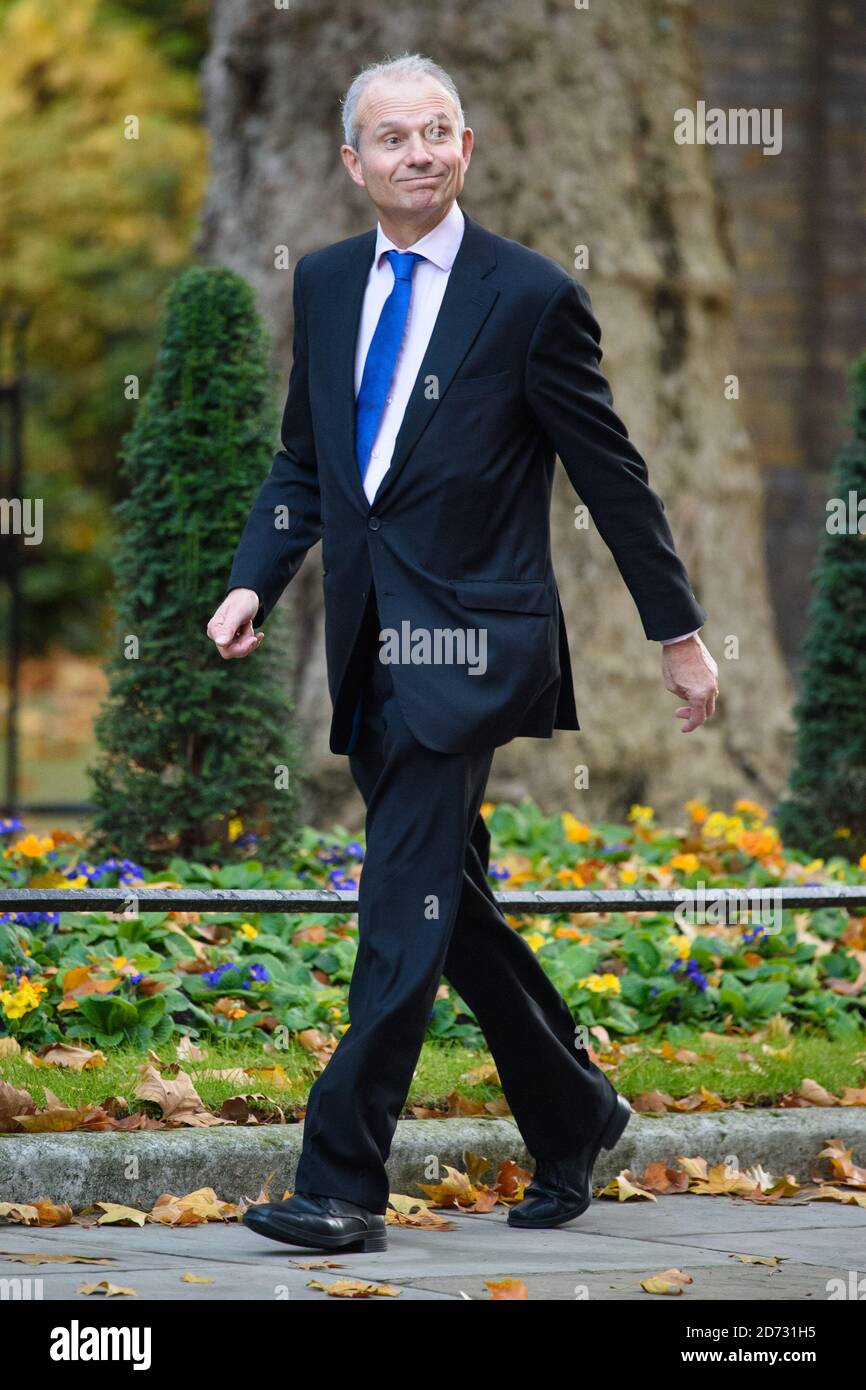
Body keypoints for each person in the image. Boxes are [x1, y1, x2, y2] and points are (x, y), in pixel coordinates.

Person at [206, 53, 719, 1254]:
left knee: (397, 907)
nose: (418, 152)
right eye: (393, 137)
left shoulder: (527, 294)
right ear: (353, 163)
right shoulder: (328, 284)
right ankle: (575, 1111)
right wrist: (250, 580)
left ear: (467, 148)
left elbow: (611, 472)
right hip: (368, 642)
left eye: (438, 131)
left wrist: (678, 634)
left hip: (471, 646)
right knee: (450, 905)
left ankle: (339, 1183)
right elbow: (304, 464)